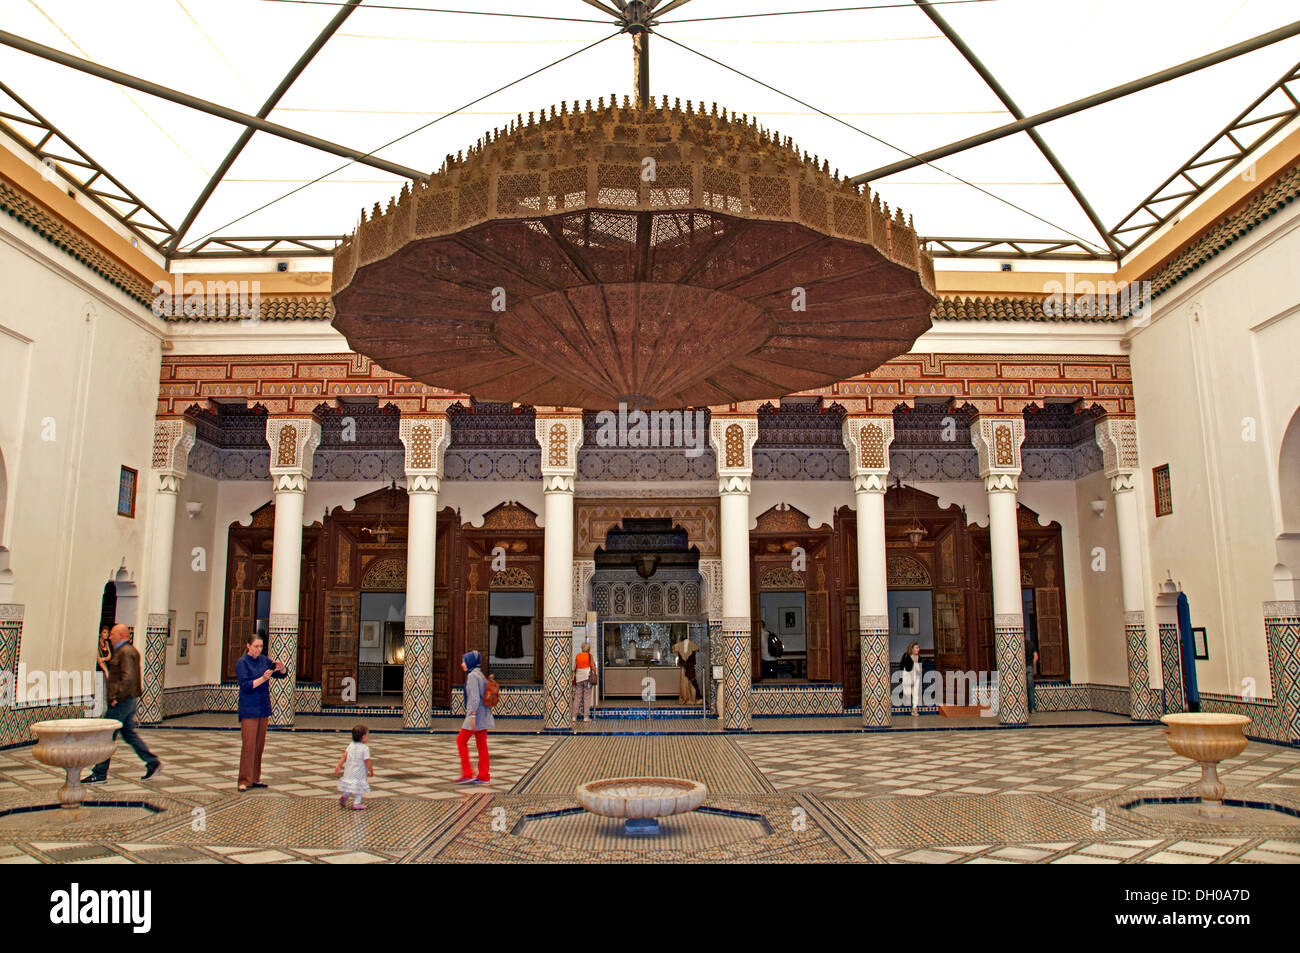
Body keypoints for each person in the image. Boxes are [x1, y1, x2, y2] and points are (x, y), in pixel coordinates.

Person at [82, 623, 160, 783]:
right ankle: (152, 762)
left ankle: (100, 773)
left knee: (106, 735)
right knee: (128, 734)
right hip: (127, 700)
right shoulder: (127, 651)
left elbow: (128, 677)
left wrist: (117, 696)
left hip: (122, 702)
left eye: (112, 634)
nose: (110, 637)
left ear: (121, 635)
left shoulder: (125, 652)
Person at [235, 634, 286, 793]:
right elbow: (246, 685)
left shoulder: (264, 660)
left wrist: (282, 667)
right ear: (248, 646)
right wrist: (263, 679)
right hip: (249, 708)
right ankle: (244, 780)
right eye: (256, 646)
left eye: (261, 646)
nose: (258, 649)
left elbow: (280, 674)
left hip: (262, 707)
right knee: (248, 745)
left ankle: (255, 777)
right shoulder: (242, 663)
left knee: (259, 745)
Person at [456, 650, 493, 784]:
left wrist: (472, 716)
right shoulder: (480, 674)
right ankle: (484, 775)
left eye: (464, 661)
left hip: (476, 716)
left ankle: (467, 773)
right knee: (482, 744)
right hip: (483, 715)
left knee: (461, 741)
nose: (462, 664)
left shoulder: (472, 676)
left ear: (470, 662)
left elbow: (475, 698)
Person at [334, 724, 373, 810]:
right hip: (360, 772)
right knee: (359, 787)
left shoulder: (350, 745)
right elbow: (367, 761)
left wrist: (339, 766)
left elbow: (344, 756)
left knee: (349, 784)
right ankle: (356, 803)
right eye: (367, 735)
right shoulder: (365, 748)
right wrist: (371, 770)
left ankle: (345, 795)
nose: (368, 737)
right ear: (363, 737)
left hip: (349, 771)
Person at [573, 641, 596, 723]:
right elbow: (592, 667)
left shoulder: (578, 656)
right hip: (587, 678)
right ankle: (585, 717)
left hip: (579, 678)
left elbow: (574, 667)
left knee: (577, 697)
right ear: (588, 649)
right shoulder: (589, 656)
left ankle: (574, 716)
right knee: (587, 697)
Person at [900, 642, 923, 715]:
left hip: (916, 676)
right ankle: (909, 705)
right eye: (916, 648)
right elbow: (901, 666)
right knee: (908, 693)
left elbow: (919, 667)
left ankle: (914, 708)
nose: (918, 649)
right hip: (907, 675)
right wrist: (901, 676)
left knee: (915, 693)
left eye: (918, 648)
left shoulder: (919, 657)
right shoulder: (906, 656)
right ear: (912, 649)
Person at [1025, 629, 1039, 714]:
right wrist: (1031, 665)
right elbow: (1036, 657)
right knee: (1030, 688)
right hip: (1029, 667)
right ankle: (1032, 708)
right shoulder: (1031, 644)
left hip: (1021, 668)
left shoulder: (1019, 645)